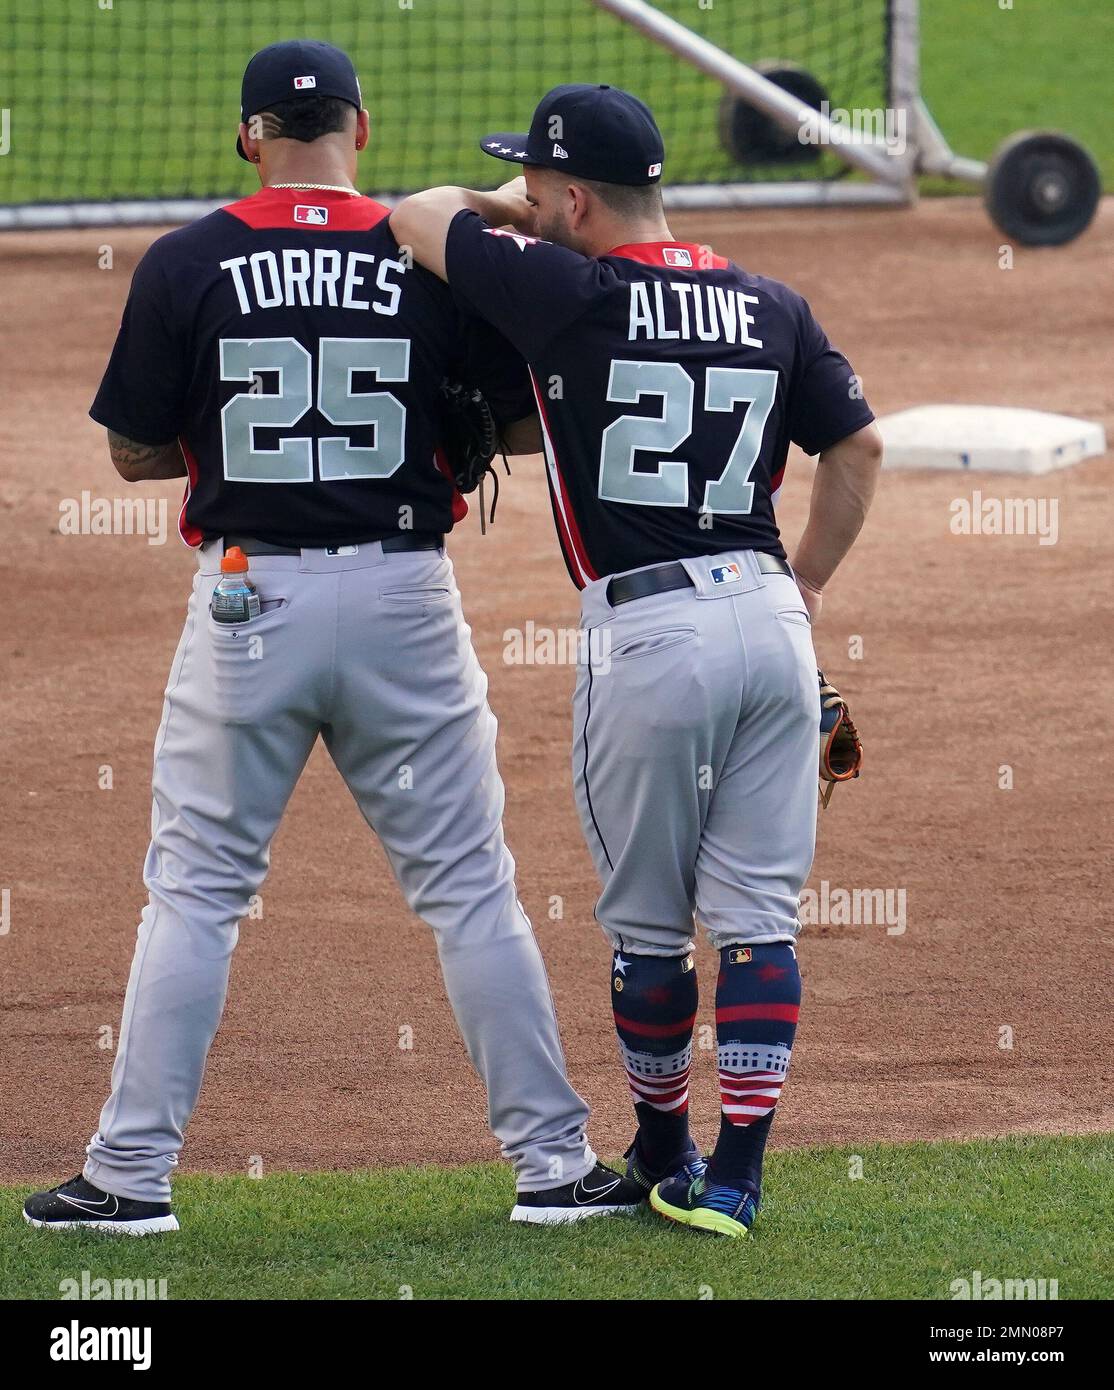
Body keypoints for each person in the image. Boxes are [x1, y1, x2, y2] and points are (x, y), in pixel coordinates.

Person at [23, 46, 643, 1236]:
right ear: (361, 124)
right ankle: (556, 1166)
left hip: (248, 602)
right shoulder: (418, 253)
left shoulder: (187, 259)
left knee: (195, 895)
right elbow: (520, 421)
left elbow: (134, 452)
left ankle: (130, 1178)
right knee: (470, 890)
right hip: (405, 594)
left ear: (247, 135)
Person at [390, 83, 883, 1239]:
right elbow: (857, 442)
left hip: (650, 637)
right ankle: (737, 1178)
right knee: (760, 918)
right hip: (771, 624)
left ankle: (661, 1146)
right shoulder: (773, 304)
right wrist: (804, 583)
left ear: (569, 196)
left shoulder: (565, 291)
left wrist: (503, 209)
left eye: (541, 185)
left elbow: (412, 215)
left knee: (650, 927)